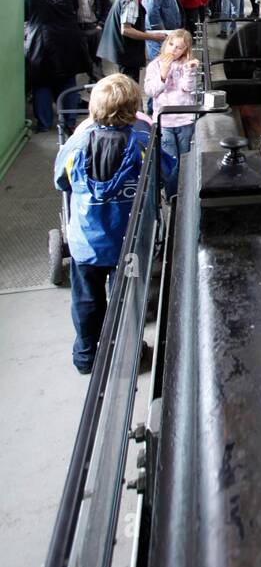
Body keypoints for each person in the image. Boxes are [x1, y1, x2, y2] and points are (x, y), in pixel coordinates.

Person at [54, 73, 177, 374]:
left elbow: (60, 181)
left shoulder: (77, 144)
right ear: (133, 107)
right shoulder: (143, 143)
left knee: (86, 300)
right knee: (128, 302)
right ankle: (129, 356)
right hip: (131, 241)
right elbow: (169, 173)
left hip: (87, 242)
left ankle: (85, 356)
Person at [25, 0, 88, 133]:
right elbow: (75, 10)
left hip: (40, 41)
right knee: (68, 80)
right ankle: (69, 120)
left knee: (42, 83)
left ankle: (44, 124)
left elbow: (26, 15)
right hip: (68, 40)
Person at [98, 0, 165, 79]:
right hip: (125, 54)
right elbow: (126, 30)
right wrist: (153, 37)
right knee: (128, 85)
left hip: (120, 52)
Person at [144, 28, 199, 159]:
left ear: (185, 50)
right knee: (170, 160)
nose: (173, 50)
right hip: (164, 122)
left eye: (179, 48)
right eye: (171, 44)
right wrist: (162, 75)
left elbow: (188, 88)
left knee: (185, 157)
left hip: (185, 120)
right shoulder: (154, 66)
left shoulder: (185, 65)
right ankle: (171, 180)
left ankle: (184, 180)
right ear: (166, 43)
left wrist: (190, 71)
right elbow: (150, 91)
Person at [69, 0, 112, 78]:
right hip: (75, 29)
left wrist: (101, 24)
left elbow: (107, 6)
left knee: (95, 59)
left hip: (93, 28)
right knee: (74, 59)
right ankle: (75, 91)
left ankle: (96, 85)